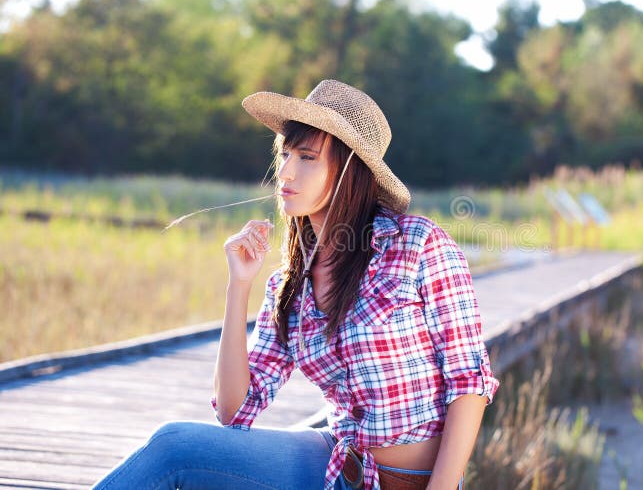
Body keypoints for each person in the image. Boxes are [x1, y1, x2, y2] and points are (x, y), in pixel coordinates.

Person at [93, 79, 499, 489]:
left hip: (414, 479)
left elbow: (469, 383)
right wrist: (239, 286)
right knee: (174, 446)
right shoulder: (290, 285)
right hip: (336, 468)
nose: (285, 172)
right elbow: (234, 412)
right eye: (285, 154)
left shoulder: (417, 245)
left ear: (350, 170)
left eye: (307, 157)